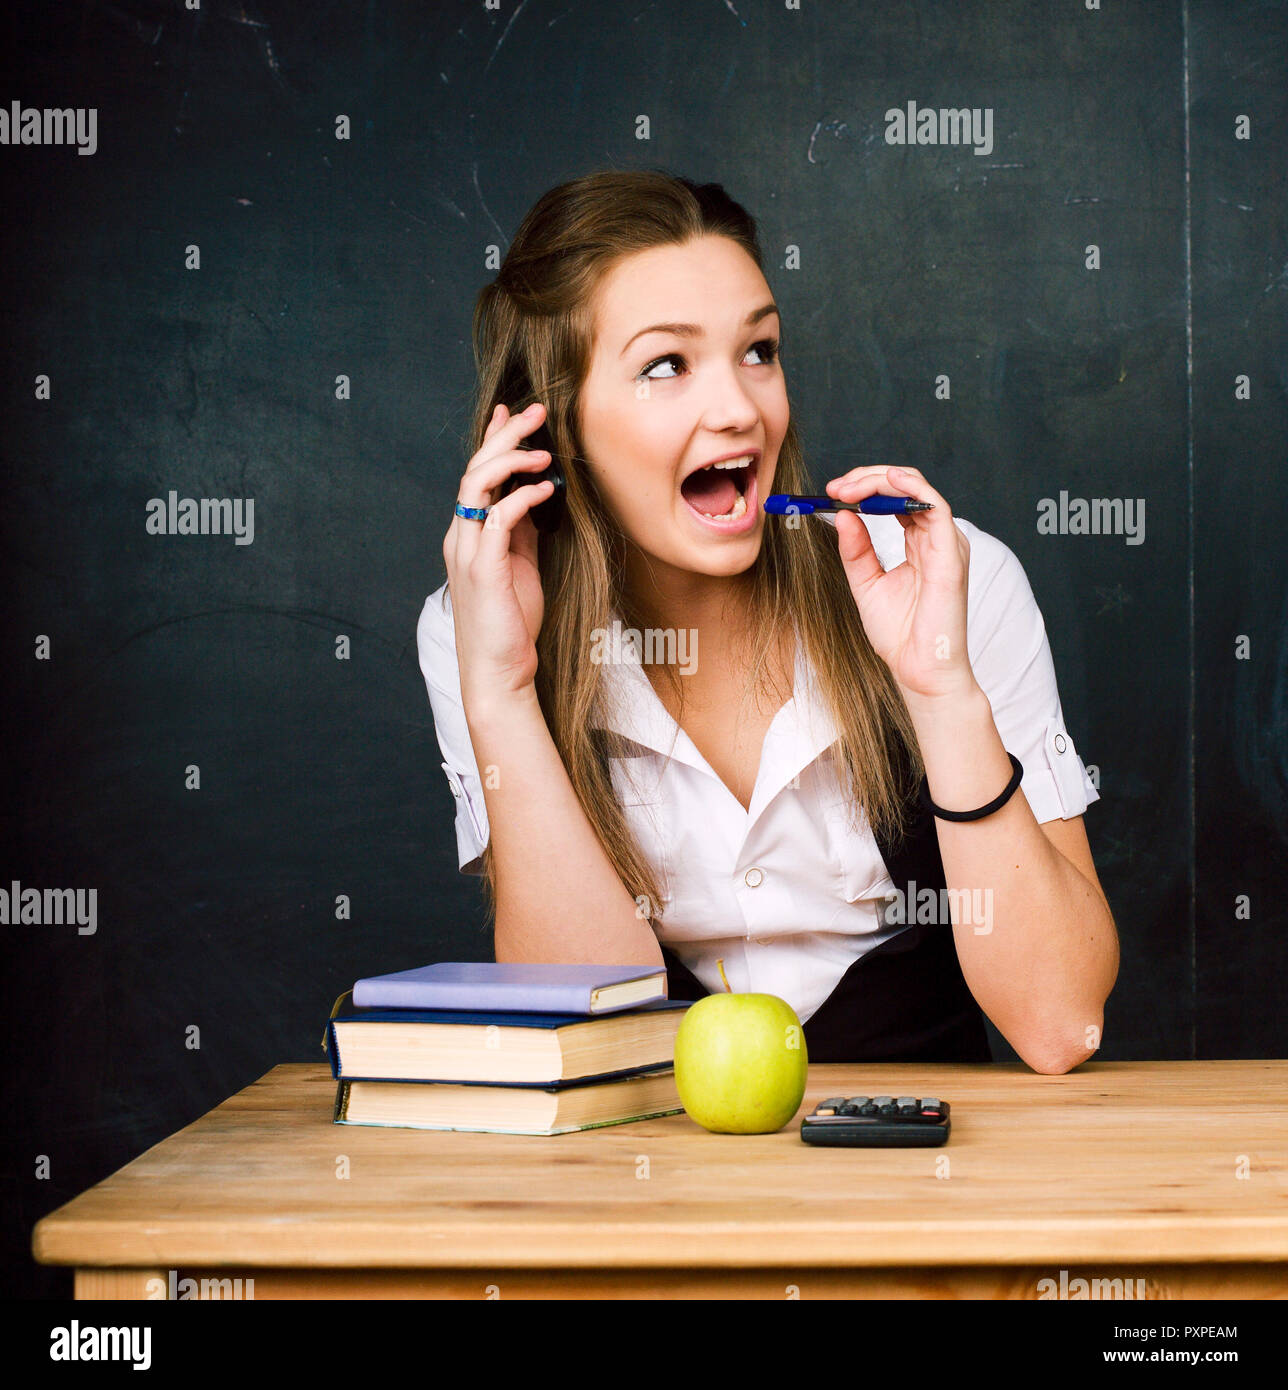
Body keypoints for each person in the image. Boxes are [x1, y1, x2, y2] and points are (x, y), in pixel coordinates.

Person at [417, 169, 1118, 1072]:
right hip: (643, 1172)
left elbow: (1062, 1026)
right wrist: (504, 694)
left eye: (759, 350)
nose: (742, 410)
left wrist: (942, 690)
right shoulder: (477, 627)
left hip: (931, 1179)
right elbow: (587, 1036)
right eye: (665, 365)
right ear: (555, 431)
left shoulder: (950, 579)